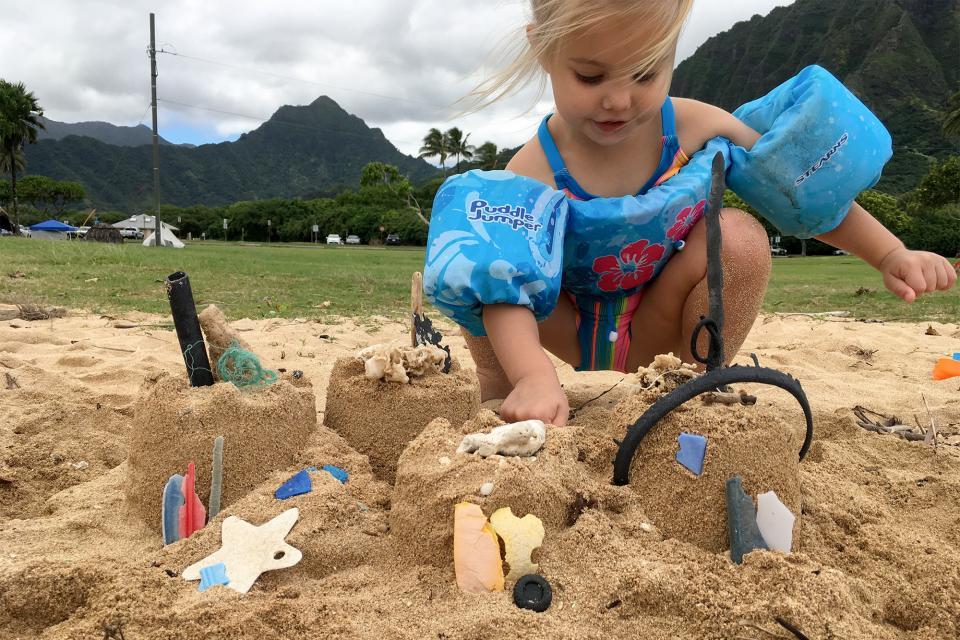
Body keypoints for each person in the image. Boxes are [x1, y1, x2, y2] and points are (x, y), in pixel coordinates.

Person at [424, 0, 956, 427]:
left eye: (643, 73)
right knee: (481, 255)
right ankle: (506, 389)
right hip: (559, 325)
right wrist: (535, 374)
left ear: (673, 51)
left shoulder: (699, 125)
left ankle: (696, 388)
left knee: (741, 236)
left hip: (661, 319)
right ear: (544, 51)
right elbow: (505, 292)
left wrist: (889, 252)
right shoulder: (531, 171)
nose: (618, 100)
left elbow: (796, 187)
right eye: (590, 77)